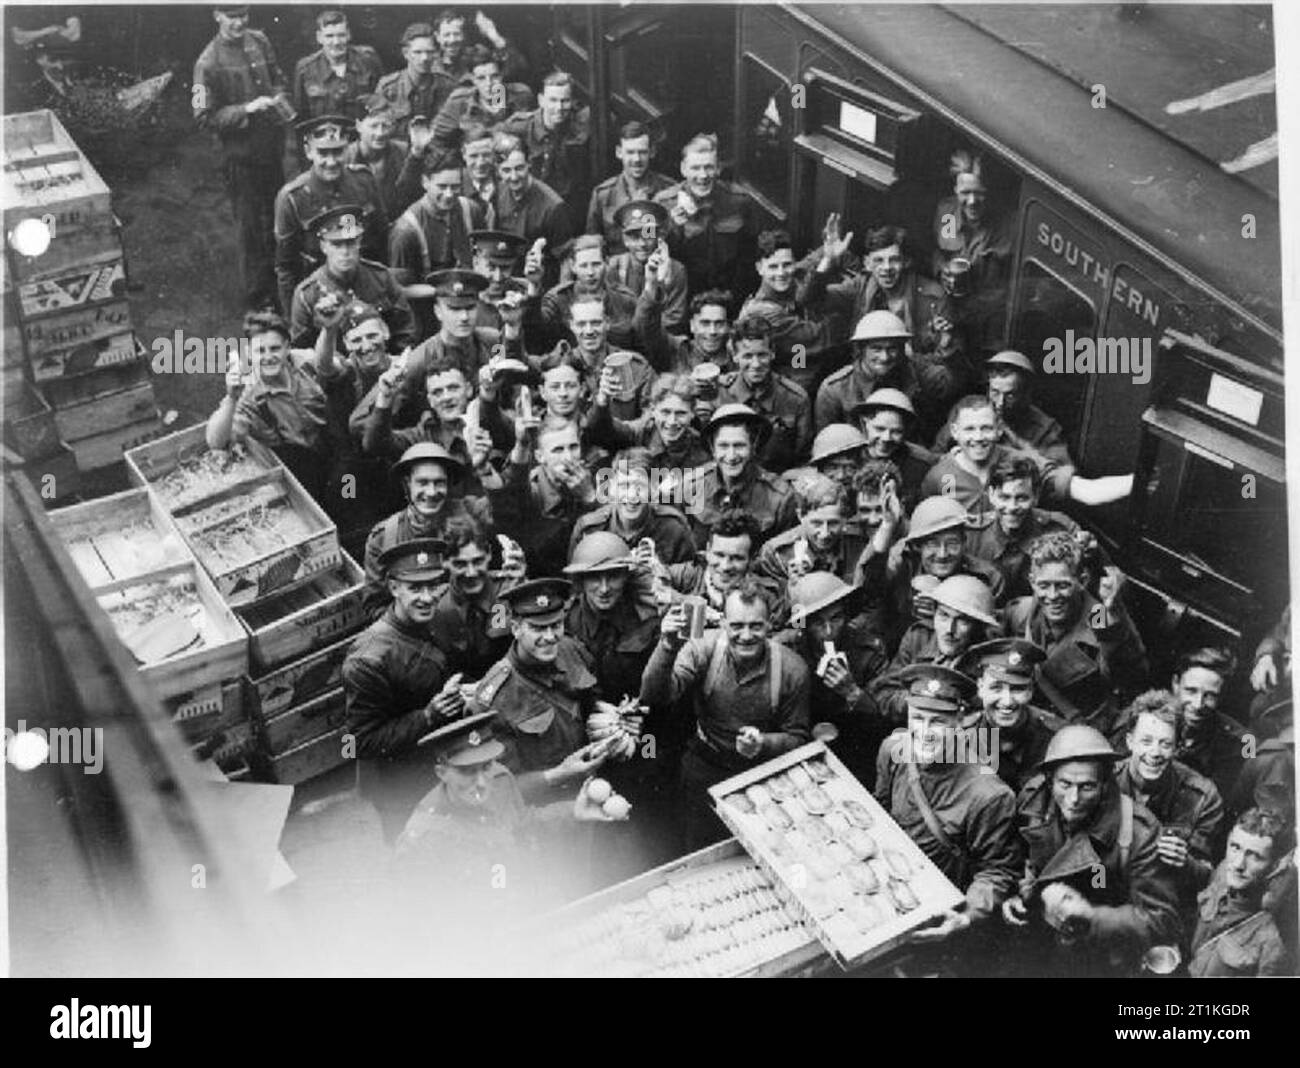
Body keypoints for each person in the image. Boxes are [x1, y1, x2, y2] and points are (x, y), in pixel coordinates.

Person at [394, 711, 618, 925]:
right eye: (468, 771)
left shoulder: (500, 778)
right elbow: (421, 917)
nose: (482, 781)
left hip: (523, 903)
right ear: (441, 773)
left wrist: (573, 812)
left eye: (486, 766)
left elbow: (521, 825)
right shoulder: (422, 837)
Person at [641, 577, 811, 850]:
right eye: (736, 626)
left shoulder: (792, 670)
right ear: (722, 624)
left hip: (763, 775)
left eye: (756, 626)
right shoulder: (703, 649)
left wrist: (764, 743)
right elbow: (655, 698)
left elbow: (800, 739)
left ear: (769, 626)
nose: (745, 636)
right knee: (699, 848)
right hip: (706, 765)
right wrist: (667, 647)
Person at [1004, 725, 1182, 977]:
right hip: (1037, 946)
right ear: (1049, 779)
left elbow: (1162, 919)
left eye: (1087, 787)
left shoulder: (1138, 831)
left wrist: (1091, 915)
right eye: (1064, 784)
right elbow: (1011, 858)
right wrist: (1014, 894)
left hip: (1099, 956)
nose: (1073, 798)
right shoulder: (1033, 802)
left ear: (1105, 784)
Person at [873, 664, 1023, 956]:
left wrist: (965, 916)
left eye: (938, 722)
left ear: (960, 721)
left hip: (939, 911)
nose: (925, 732)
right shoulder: (892, 749)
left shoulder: (989, 794)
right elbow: (880, 814)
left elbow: (997, 871)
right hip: (886, 889)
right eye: (917, 718)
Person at [342, 538, 465, 843]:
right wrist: (428, 715)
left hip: (444, 765)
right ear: (394, 588)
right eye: (415, 588)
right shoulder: (368, 660)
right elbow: (364, 742)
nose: (427, 598)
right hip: (400, 786)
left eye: (433, 585)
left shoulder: (439, 618)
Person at [469, 578, 612, 803]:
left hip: (590, 792)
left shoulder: (571, 650)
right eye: (537, 628)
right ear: (516, 628)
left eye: (556, 625)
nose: (550, 637)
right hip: (541, 813)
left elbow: (591, 705)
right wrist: (561, 773)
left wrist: (615, 719)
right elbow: (498, 788)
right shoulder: (492, 700)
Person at [1003, 532, 1149, 736]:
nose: (1053, 596)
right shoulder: (1023, 611)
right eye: (1044, 586)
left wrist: (1114, 611)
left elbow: (1129, 674)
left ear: (1082, 580)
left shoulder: (1101, 616)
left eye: (1063, 586)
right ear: (1032, 582)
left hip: (1079, 731)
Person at [192, 4, 289, 308]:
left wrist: (279, 98)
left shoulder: (259, 40)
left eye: (243, 15)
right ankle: (257, 298)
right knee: (249, 228)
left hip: (270, 150)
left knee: (278, 216)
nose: (239, 23)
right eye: (232, 16)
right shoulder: (207, 62)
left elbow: (277, 77)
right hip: (240, 157)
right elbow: (202, 117)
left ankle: (283, 283)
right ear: (217, 16)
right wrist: (246, 109)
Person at [922, 395, 1131, 523]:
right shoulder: (940, 475)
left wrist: (1137, 481)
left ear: (999, 430)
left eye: (986, 428)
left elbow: (1088, 492)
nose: (978, 437)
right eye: (970, 429)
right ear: (955, 432)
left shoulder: (1022, 462)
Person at [1114, 691, 1225, 930]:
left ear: (1177, 747)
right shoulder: (1104, 783)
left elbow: (1208, 876)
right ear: (1129, 741)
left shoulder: (1202, 797)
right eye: (1146, 741)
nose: (1154, 753)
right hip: (1110, 898)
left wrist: (1185, 862)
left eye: (1165, 744)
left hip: (1166, 908)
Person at [204, 309, 330, 499]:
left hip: (332, 451)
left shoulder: (304, 361)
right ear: (249, 353)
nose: (268, 356)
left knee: (348, 490)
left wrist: (330, 329)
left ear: (287, 347)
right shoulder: (249, 393)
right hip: (300, 472)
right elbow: (216, 442)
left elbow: (334, 367)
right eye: (260, 351)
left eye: (275, 349)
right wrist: (231, 397)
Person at [361, 442, 492, 618]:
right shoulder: (384, 537)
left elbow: (507, 509)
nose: (431, 492)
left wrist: (486, 469)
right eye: (422, 483)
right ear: (408, 484)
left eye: (439, 483)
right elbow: (375, 606)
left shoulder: (469, 511)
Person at [781, 571, 889, 785]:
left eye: (836, 618)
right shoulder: (788, 649)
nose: (828, 631)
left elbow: (884, 719)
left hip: (855, 745)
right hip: (799, 743)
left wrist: (853, 693)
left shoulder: (868, 650)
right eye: (817, 622)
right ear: (803, 623)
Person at [274, 116, 389, 316]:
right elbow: (286, 267)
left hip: (365, 287)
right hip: (319, 294)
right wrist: (293, 320)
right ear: (309, 152)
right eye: (323, 153)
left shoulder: (363, 180)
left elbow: (381, 236)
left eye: (338, 152)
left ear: (347, 149)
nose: (331, 162)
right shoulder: (292, 198)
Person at [391, 268, 524, 423]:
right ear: (438, 312)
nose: (464, 317)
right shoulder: (419, 360)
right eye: (454, 309)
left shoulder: (494, 342)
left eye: (470, 308)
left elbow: (510, 380)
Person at [870, 574, 1000, 724]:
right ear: (934, 613)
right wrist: (925, 700)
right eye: (943, 615)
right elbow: (884, 694)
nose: (949, 630)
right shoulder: (918, 638)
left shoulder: (991, 656)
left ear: (979, 627)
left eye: (963, 620)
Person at [287, 204, 415, 351]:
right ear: (323, 246)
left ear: (359, 241)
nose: (345, 252)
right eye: (336, 244)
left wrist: (396, 363)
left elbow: (405, 330)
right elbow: (301, 351)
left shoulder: (381, 277)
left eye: (350, 243)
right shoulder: (307, 294)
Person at [884, 495, 1004, 649]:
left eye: (952, 543)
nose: (942, 554)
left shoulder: (987, 578)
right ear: (917, 546)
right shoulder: (903, 569)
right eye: (932, 544)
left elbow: (996, 634)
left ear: (964, 542)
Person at [491, 415, 603, 579]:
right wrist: (522, 445)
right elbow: (513, 491)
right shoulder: (532, 490)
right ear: (539, 456)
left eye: (573, 447)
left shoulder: (592, 481)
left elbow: (611, 535)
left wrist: (590, 498)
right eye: (558, 450)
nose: (568, 457)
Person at [387, 151, 485, 333]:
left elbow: (485, 256)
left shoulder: (471, 210)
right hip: (428, 318)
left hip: (471, 310)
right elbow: (399, 290)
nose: (449, 194)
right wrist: (440, 290)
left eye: (455, 187)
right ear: (425, 182)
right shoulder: (406, 231)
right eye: (442, 186)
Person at [1188, 808, 1291, 977]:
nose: (1238, 864)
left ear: (1274, 867)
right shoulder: (1222, 872)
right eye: (1235, 847)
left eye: (1255, 856)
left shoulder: (1271, 939)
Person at [931, 149, 1015, 355]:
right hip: (951, 311)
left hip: (988, 321)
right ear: (955, 191)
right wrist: (941, 270)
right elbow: (941, 252)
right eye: (965, 193)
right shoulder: (948, 214)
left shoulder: (1007, 226)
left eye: (979, 192)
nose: (972, 201)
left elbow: (1006, 287)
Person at [655, 133, 759, 297]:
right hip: (684, 296)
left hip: (728, 295)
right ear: (683, 169)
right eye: (695, 168)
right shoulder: (664, 203)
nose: (703, 176)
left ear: (718, 168)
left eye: (709, 167)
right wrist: (673, 227)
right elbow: (654, 254)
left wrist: (738, 293)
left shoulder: (739, 201)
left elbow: (750, 254)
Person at [963, 453, 1079, 599]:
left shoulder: (1058, 527)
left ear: (1035, 496)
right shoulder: (971, 535)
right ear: (991, 495)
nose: (1012, 507)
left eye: (1021, 498)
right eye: (1004, 497)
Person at [932, 350, 1073, 468]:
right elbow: (935, 457)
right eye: (995, 392)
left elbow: (1060, 477)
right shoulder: (966, 410)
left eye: (1010, 395)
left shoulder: (1046, 428)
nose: (1000, 403)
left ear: (1026, 393)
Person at [737, 230, 836, 396]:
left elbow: (806, 264)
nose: (781, 273)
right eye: (773, 266)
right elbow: (816, 336)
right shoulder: (761, 312)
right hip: (781, 390)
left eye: (787, 265)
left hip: (801, 365)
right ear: (759, 268)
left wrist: (827, 253)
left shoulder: (785, 288)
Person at [959, 638, 1064, 794]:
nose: (1007, 702)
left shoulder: (1058, 737)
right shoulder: (961, 738)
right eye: (996, 688)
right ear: (980, 688)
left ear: (1031, 690)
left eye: (1018, 689)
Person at [686, 403, 797, 551]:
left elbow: (784, 555)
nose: (731, 456)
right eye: (723, 446)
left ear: (754, 446)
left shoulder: (780, 497)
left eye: (739, 446)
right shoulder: (692, 485)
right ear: (712, 448)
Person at [428, 516, 526, 681]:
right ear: (444, 562)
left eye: (478, 561)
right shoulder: (436, 607)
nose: (471, 573)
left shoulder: (503, 594)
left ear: (488, 554)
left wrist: (521, 588)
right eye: (460, 564)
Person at [652, 510, 785, 628]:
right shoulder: (689, 575)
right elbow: (650, 579)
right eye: (719, 555)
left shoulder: (768, 594)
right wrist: (684, 600)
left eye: (736, 558)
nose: (725, 566)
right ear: (708, 550)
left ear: (752, 559)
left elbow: (795, 628)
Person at [715, 314, 811, 474]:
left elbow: (803, 458)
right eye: (747, 356)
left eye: (762, 355)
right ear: (735, 356)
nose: (756, 364)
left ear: (772, 353)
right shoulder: (720, 393)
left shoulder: (796, 399)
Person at [569, 448, 697, 565]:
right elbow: (575, 583)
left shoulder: (673, 527)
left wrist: (660, 570)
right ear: (612, 487)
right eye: (624, 486)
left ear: (653, 489)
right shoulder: (589, 528)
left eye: (640, 486)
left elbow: (690, 578)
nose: (632, 496)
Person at [587, 375, 712, 490]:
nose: (672, 421)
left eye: (681, 413)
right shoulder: (640, 432)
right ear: (653, 410)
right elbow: (600, 432)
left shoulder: (701, 451)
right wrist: (602, 400)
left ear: (692, 414)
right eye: (665, 412)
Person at [502, 70, 592, 217]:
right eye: (553, 100)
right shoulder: (521, 127)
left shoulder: (581, 125)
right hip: (533, 207)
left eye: (565, 101)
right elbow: (496, 136)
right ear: (541, 100)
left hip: (571, 206)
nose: (559, 108)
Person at [1167, 647, 1251, 807]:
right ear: (1175, 684)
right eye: (1191, 691)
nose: (1198, 704)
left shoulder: (1241, 742)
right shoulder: (1151, 721)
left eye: (1210, 696)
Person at [492, 131, 574, 286]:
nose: (514, 177)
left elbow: (566, 260)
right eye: (507, 170)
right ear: (498, 170)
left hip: (542, 284)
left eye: (519, 168)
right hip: (505, 280)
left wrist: (560, 300)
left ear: (529, 163)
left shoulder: (553, 207)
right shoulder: (498, 193)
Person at [814, 310, 918, 432]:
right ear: (861, 349)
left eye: (892, 349)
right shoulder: (834, 390)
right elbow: (827, 442)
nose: (885, 357)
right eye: (876, 349)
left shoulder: (911, 378)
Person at [757, 474, 865, 586]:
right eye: (816, 523)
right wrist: (792, 587)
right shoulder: (777, 554)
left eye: (833, 523)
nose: (824, 533)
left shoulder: (858, 544)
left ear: (844, 519)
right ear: (801, 516)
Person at [538, 235, 640, 350]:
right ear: (573, 266)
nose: (590, 272)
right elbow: (537, 330)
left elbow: (642, 342)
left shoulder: (625, 300)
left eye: (596, 264)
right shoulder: (558, 300)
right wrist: (533, 288)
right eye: (583, 266)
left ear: (606, 263)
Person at [587, 122, 676, 253]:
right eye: (630, 152)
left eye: (642, 152)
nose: (636, 159)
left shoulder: (670, 191)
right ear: (619, 152)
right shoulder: (603, 195)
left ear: (652, 152)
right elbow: (593, 245)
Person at [345, 94, 427, 226]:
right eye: (374, 126)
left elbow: (413, 196)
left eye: (386, 126)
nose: (380, 133)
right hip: (361, 235)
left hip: (401, 230)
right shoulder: (344, 159)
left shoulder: (405, 152)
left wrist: (416, 154)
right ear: (359, 126)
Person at [607, 205, 688, 337]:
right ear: (625, 240)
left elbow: (674, 319)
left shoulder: (675, 270)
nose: (642, 244)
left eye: (648, 235)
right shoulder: (614, 267)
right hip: (622, 341)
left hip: (659, 341)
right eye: (634, 237)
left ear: (658, 237)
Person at [849, 387, 936, 510]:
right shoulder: (850, 459)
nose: (886, 438)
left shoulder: (921, 464)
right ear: (864, 424)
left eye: (896, 431)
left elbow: (946, 481)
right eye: (879, 429)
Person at [431, 44, 532, 149]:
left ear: (502, 75)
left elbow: (532, 129)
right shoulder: (459, 101)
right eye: (481, 78)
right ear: (472, 79)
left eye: (494, 76)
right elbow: (436, 138)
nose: (489, 84)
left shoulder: (520, 95)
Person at [291, 10, 382, 125]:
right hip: (323, 139)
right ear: (319, 37)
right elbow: (301, 117)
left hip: (362, 137)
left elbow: (382, 104)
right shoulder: (306, 69)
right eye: (329, 36)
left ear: (349, 34)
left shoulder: (368, 60)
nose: (336, 42)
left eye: (341, 35)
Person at [637, 287, 734, 377]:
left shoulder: (738, 360)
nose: (712, 331)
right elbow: (648, 328)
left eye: (719, 323)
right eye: (705, 323)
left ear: (729, 326)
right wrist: (651, 288)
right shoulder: (675, 350)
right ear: (692, 325)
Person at [374, 22, 448, 138]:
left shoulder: (447, 86)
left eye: (429, 52)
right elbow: (378, 128)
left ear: (435, 54)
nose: (424, 58)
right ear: (406, 54)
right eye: (417, 52)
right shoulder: (388, 87)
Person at [782, 424, 869, 493]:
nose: (841, 475)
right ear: (820, 468)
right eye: (833, 467)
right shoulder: (806, 487)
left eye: (850, 467)